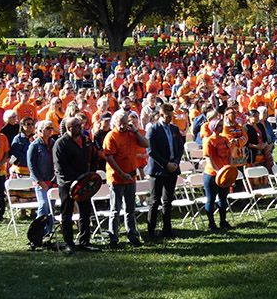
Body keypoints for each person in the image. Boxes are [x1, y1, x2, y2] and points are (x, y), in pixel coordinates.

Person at [102, 111, 148, 248]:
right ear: (115, 123)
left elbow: (146, 144)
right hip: (117, 178)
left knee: (130, 209)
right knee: (115, 209)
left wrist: (136, 132)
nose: (122, 126)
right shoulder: (111, 136)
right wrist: (121, 173)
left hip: (131, 177)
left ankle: (132, 236)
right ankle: (114, 238)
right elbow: (109, 158)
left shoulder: (131, 134)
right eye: (120, 124)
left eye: (124, 123)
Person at [53, 116, 97, 254]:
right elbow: (60, 167)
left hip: (84, 182)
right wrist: (74, 180)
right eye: (78, 126)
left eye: (81, 125)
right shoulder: (61, 143)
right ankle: (69, 243)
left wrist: (90, 175)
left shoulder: (85, 140)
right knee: (67, 213)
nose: (81, 127)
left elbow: (92, 156)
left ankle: (85, 242)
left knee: (85, 212)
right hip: (67, 184)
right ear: (70, 128)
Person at [145, 103, 184, 241]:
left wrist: (176, 162)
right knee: (155, 201)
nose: (170, 119)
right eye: (167, 116)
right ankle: (151, 231)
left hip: (173, 168)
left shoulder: (174, 128)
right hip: (158, 170)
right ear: (161, 115)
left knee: (168, 200)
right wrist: (165, 164)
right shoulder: (153, 129)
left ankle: (167, 229)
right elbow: (151, 151)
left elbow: (180, 147)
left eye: (171, 116)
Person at [201, 112, 233, 232]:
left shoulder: (225, 139)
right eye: (218, 125)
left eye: (221, 125)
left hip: (224, 173)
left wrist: (228, 167)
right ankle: (211, 223)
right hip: (212, 174)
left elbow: (229, 154)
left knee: (223, 198)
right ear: (213, 127)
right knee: (211, 198)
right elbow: (208, 158)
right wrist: (217, 171)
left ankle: (223, 221)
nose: (221, 127)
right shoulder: (209, 140)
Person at [27, 120, 56, 235]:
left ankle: (49, 231)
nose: (50, 131)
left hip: (52, 180)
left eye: (51, 128)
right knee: (43, 205)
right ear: (40, 131)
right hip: (41, 181)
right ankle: (38, 231)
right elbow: (31, 166)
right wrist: (39, 181)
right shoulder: (34, 146)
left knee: (51, 207)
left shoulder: (53, 143)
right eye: (48, 128)